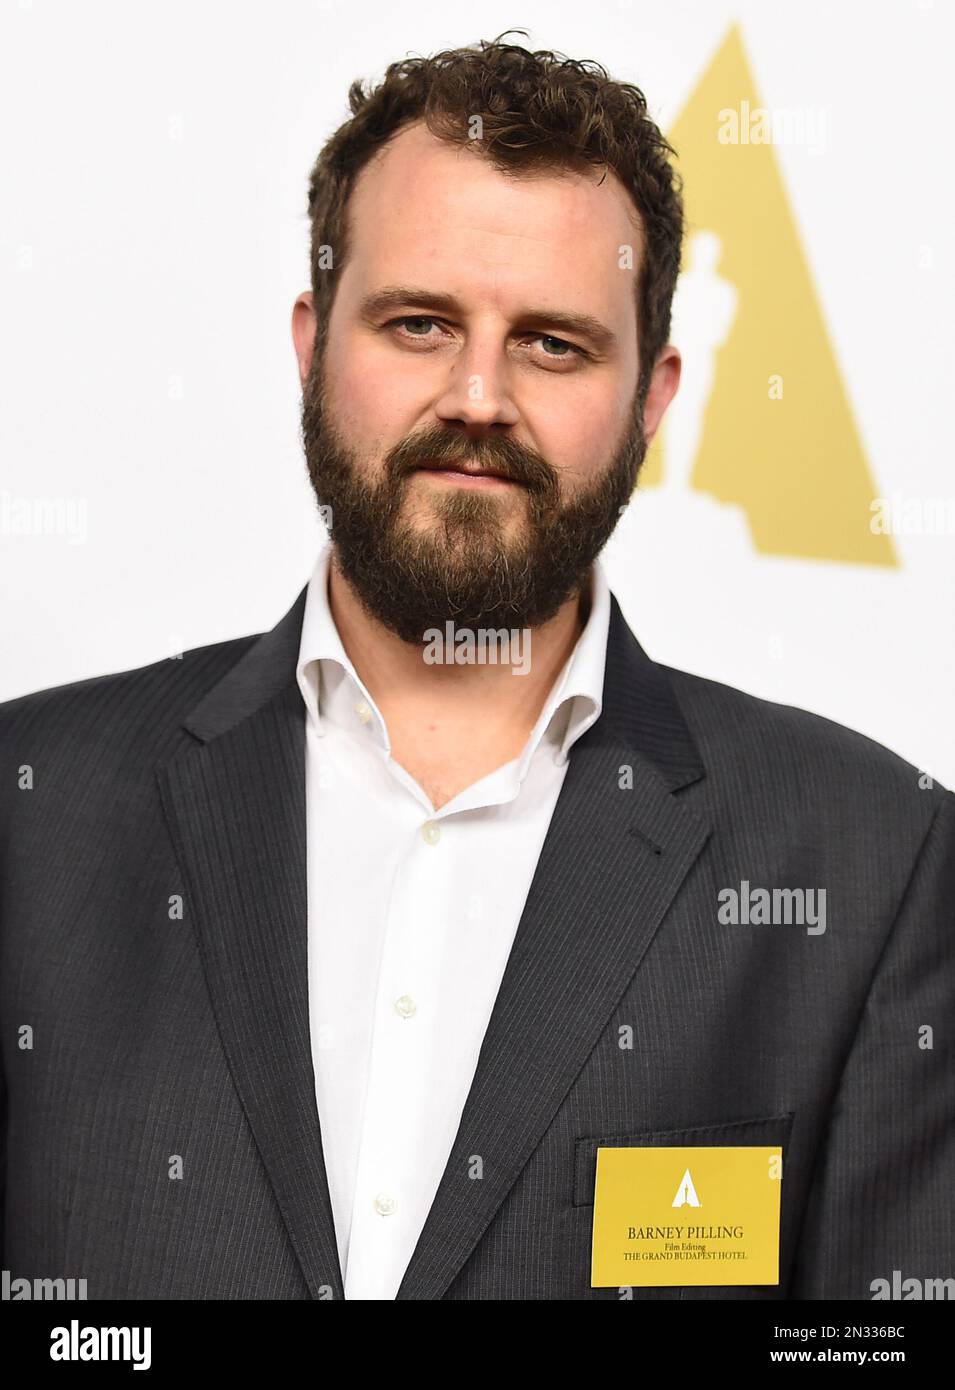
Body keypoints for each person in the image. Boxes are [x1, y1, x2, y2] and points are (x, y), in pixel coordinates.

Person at [1, 37, 952, 1302]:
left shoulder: (872, 862)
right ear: (310, 343)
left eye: (554, 344)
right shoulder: (31, 813)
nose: (478, 394)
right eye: (417, 323)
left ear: (653, 397)